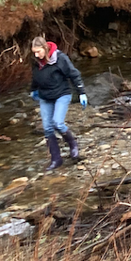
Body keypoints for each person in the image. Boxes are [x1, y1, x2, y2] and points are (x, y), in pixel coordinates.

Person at [29, 36, 87, 171]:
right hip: (45, 96)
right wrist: (33, 90)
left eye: (38, 51)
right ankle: (56, 159)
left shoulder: (60, 58)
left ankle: (73, 145)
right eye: (34, 52)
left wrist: (81, 93)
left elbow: (74, 74)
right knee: (47, 128)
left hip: (62, 94)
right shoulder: (36, 61)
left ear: (45, 48)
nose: (36, 55)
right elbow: (35, 77)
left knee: (57, 123)